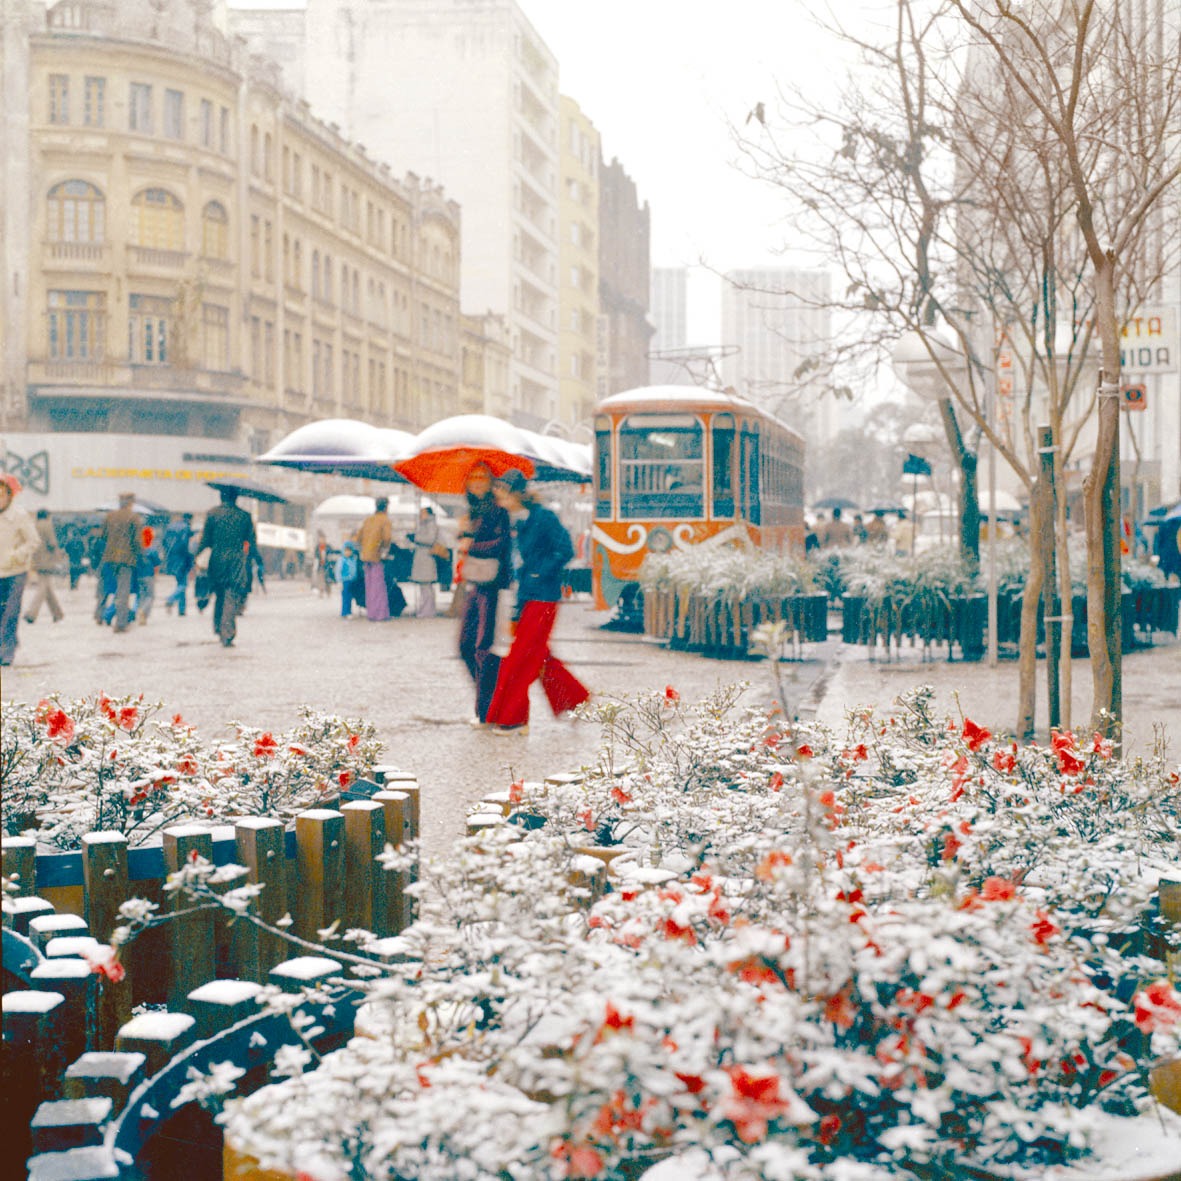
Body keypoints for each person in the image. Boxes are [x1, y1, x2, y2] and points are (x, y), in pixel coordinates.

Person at [483, 469, 590, 735]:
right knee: (538, 655)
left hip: (543, 596)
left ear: (514, 493)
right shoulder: (512, 521)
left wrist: (540, 571)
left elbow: (565, 548)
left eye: (502, 493)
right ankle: (575, 698)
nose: (499, 498)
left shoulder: (543, 517)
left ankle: (514, 718)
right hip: (525, 596)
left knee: (520, 658)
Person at [455, 462, 512, 727]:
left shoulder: (498, 510)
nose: (476, 481)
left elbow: (501, 546)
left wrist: (471, 542)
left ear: (490, 481)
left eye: (482, 477)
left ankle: (487, 711)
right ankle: (491, 699)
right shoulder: (473, 511)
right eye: (472, 477)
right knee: (466, 646)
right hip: (475, 582)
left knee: (482, 649)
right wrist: (463, 533)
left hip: (492, 584)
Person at [194, 487, 259, 647]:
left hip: (217, 560)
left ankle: (218, 627)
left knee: (219, 594)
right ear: (236, 498)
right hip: (236, 560)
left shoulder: (212, 514)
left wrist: (197, 556)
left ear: (221, 498)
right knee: (232, 594)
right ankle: (227, 633)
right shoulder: (244, 516)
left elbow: (205, 540)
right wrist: (255, 558)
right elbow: (251, 541)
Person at [0, 474, 39, 666]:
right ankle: (9, 642)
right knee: (1, 613)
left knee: (11, 611)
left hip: (15, 571)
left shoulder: (19, 515)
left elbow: (33, 541)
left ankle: (7, 653)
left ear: (9, 495)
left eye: (1, 493)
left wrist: (16, 554)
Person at [94, 492, 143, 633]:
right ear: (131, 502)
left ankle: (101, 614)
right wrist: (140, 556)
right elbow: (137, 541)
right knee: (123, 591)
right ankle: (121, 623)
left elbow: (103, 536)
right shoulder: (134, 517)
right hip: (126, 559)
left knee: (107, 587)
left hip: (110, 557)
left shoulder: (110, 516)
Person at [24, 508, 65, 624]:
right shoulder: (47, 525)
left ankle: (57, 613)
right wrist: (58, 555)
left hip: (36, 560)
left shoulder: (34, 525)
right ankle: (31, 613)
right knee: (43, 588)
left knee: (47, 587)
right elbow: (52, 543)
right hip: (47, 559)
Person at [358, 497, 393, 621]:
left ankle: (371, 613)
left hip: (365, 556)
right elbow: (387, 538)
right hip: (377, 556)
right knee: (378, 586)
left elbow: (359, 536)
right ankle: (380, 614)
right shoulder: (385, 520)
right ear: (386, 507)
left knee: (369, 585)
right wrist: (384, 548)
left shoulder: (368, 520)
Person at [408, 505, 440, 619]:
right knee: (424, 586)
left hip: (426, 558)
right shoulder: (425, 524)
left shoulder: (430, 524)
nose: (420, 515)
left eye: (422, 513)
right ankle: (425, 609)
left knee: (426, 586)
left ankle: (428, 611)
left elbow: (430, 539)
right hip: (423, 558)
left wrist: (415, 538)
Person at [163, 513, 195, 615]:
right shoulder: (186, 528)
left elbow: (164, 543)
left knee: (180, 583)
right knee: (183, 584)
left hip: (171, 558)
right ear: (189, 519)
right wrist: (190, 561)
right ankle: (170, 599)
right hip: (182, 559)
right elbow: (186, 546)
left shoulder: (171, 527)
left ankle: (182, 610)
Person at [134, 525, 162, 625]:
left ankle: (139, 612)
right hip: (149, 575)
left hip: (139, 575)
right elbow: (156, 565)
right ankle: (144, 612)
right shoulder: (152, 550)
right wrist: (156, 574)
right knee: (150, 596)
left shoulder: (138, 549)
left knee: (141, 595)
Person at [338, 539, 362, 617]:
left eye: (349, 551)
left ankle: (348, 611)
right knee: (346, 597)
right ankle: (345, 612)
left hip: (352, 580)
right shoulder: (342, 560)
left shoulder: (353, 559)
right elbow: (338, 570)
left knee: (350, 597)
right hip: (345, 580)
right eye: (346, 551)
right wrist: (339, 580)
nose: (348, 553)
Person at [64, 525, 87, 589]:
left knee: (72, 572)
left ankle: (72, 584)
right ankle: (76, 584)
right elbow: (83, 549)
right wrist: (81, 554)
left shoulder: (70, 541)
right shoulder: (80, 541)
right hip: (78, 559)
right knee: (77, 572)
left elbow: (66, 549)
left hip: (72, 558)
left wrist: (69, 553)